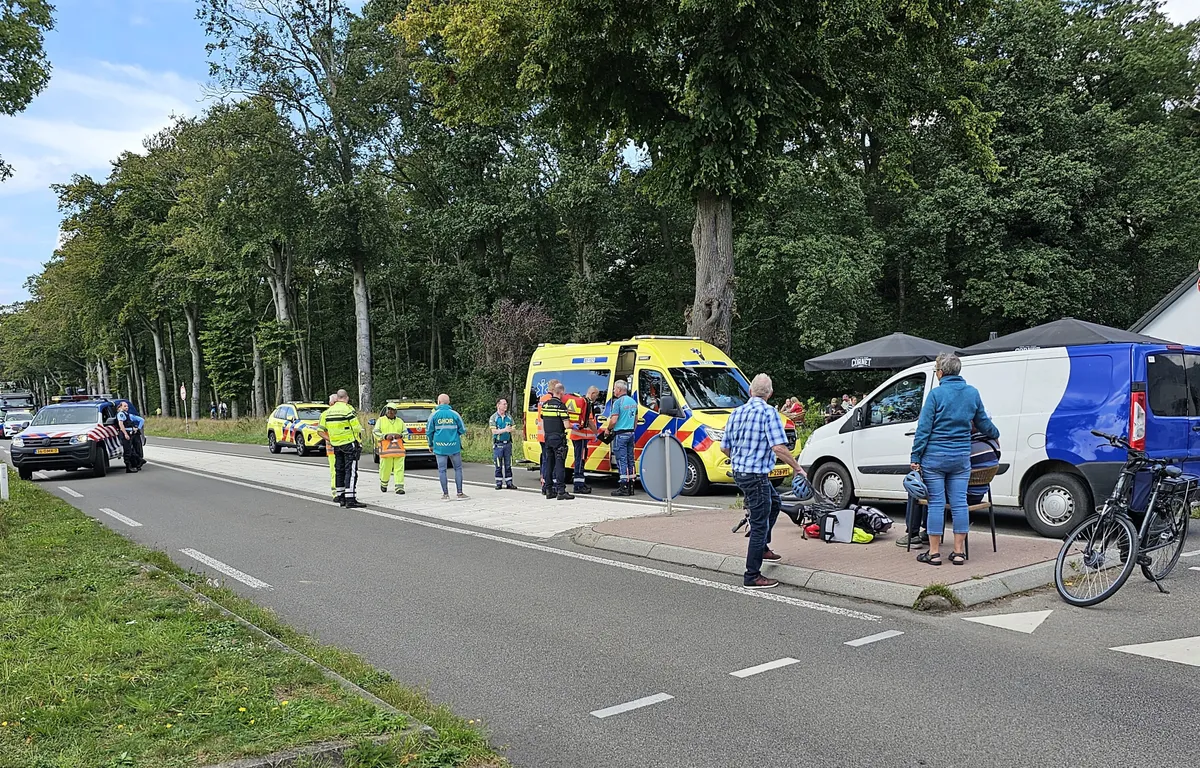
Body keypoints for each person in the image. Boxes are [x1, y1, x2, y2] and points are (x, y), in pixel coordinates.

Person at [910, 353, 1000, 567]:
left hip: (935, 458)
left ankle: (934, 553)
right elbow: (983, 423)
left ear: (941, 372)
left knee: (936, 503)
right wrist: (996, 433)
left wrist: (915, 456)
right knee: (959, 503)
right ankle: (959, 552)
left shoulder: (935, 394)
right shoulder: (972, 393)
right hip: (960, 457)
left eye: (936, 371)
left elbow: (923, 429)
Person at [722, 373, 806, 589]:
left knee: (775, 503)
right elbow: (778, 447)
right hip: (756, 474)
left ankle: (762, 547)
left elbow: (724, 447)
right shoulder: (769, 413)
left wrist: (740, 458)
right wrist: (797, 468)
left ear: (750, 391)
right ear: (770, 394)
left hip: (740, 472)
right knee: (760, 523)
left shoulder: (736, 413)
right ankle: (752, 575)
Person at [319, 389, 364, 509]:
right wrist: (359, 442)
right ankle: (350, 499)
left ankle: (341, 497)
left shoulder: (328, 412)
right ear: (346, 398)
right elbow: (356, 428)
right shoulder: (347, 409)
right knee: (351, 471)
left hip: (336, 445)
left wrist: (332, 439)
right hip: (348, 443)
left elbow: (320, 430)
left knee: (339, 470)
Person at [428, 394, 468, 500]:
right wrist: (454, 435)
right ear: (449, 402)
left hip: (439, 447)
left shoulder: (433, 415)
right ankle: (460, 493)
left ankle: (445, 495)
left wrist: (430, 444)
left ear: (438, 402)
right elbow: (462, 429)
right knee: (458, 469)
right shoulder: (455, 414)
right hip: (454, 446)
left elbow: (429, 432)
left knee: (442, 470)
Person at [540, 382, 574, 500]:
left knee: (549, 464)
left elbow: (543, 420)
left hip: (547, 438)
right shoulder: (561, 406)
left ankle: (549, 490)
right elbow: (567, 425)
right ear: (561, 392)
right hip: (558, 439)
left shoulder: (545, 405)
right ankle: (561, 491)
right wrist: (574, 425)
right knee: (559, 465)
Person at [604, 379, 638, 497]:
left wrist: (608, 429)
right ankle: (631, 485)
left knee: (621, 460)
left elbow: (614, 420)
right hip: (630, 433)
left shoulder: (618, 403)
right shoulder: (633, 402)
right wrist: (632, 430)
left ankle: (624, 486)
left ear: (619, 389)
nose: (613, 391)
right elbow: (635, 420)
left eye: (614, 389)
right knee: (630, 459)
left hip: (620, 434)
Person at [565, 386, 598, 495]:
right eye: (596, 395)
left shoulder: (583, 402)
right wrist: (596, 432)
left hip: (578, 436)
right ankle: (578, 485)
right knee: (580, 460)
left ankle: (580, 483)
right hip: (581, 437)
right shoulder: (586, 403)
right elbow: (589, 421)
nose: (597, 398)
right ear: (592, 393)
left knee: (580, 459)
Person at [374, 402, 406, 495]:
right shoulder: (381, 420)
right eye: (389, 409)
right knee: (385, 468)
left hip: (398, 450)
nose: (390, 411)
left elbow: (406, 433)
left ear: (395, 412)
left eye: (392, 410)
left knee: (399, 469)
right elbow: (375, 432)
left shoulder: (400, 421)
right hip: (386, 451)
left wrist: (400, 435)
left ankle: (399, 487)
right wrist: (385, 436)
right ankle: (384, 484)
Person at [489, 398, 517, 490]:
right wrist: (504, 430)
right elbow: (494, 431)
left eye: (506, 404)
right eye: (504, 404)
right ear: (498, 405)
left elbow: (514, 427)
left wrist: (510, 429)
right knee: (498, 465)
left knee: (508, 465)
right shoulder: (494, 417)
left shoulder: (509, 417)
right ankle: (498, 483)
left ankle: (509, 482)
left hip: (508, 444)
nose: (506, 406)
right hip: (498, 445)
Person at [535, 381, 557, 495]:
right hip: (548, 434)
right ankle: (550, 485)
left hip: (541, 435)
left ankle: (544, 485)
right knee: (550, 461)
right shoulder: (551, 400)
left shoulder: (542, 398)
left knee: (545, 461)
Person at [116, 401, 145, 473]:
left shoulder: (127, 414)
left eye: (127, 406)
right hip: (125, 433)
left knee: (130, 450)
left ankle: (139, 461)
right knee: (127, 451)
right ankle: (128, 467)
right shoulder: (121, 414)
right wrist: (125, 434)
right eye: (125, 406)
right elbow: (121, 424)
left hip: (130, 432)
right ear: (120, 407)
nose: (127, 407)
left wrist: (135, 428)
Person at [320, 393, 338, 500]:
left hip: (345, 448)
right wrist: (331, 440)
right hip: (332, 449)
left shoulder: (345, 412)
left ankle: (345, 492)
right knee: (335, 471)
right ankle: (336, 493)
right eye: (335, 402)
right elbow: (320, 431)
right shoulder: (325, 415)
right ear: (330, 403)